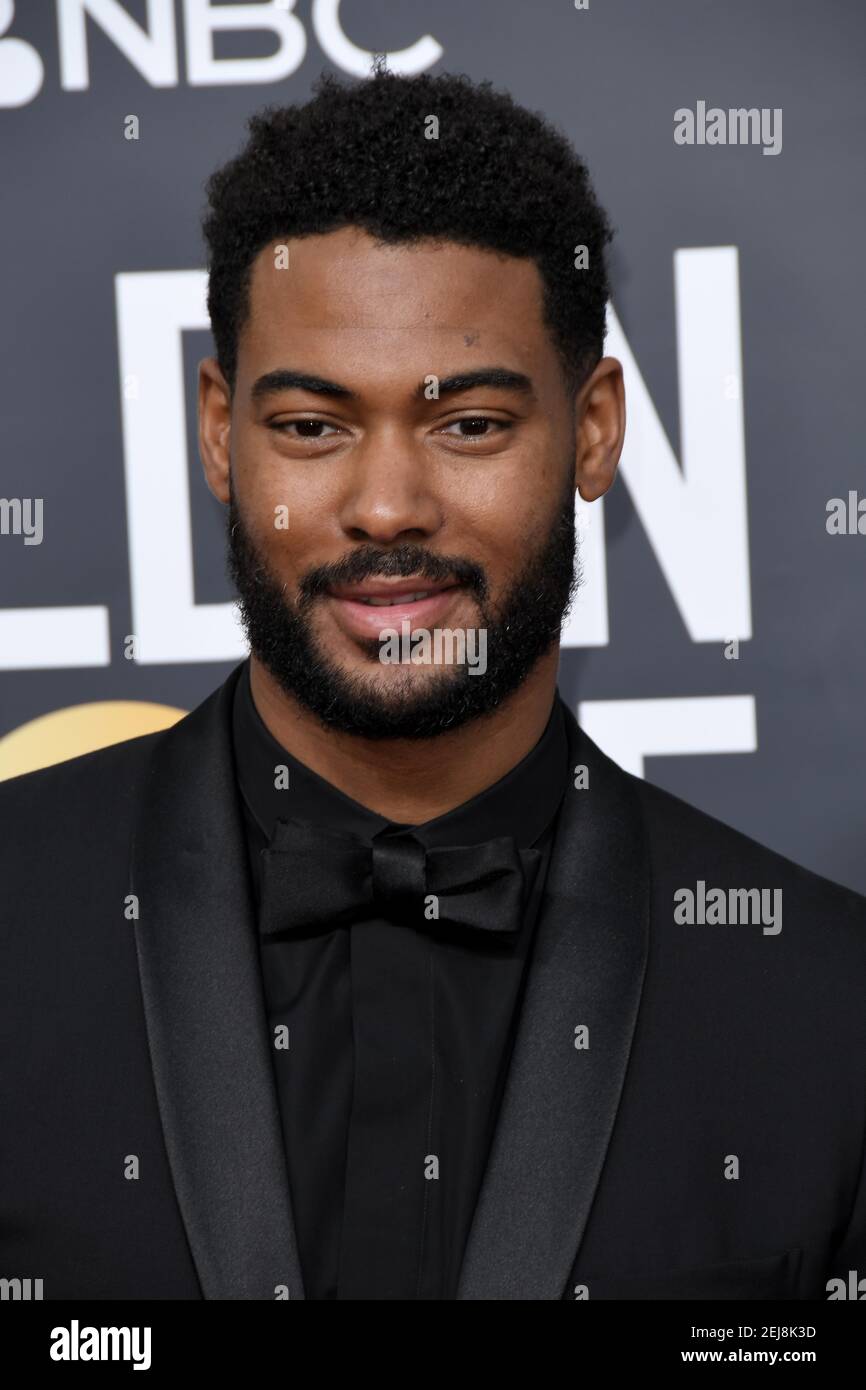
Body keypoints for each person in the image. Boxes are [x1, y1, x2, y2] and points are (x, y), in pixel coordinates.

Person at [1, 67, 864, 1302]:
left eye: (466, 424)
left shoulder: (824, 1008)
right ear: (215, 433)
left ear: (595, 428)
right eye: (310, 425)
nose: (387, 507)